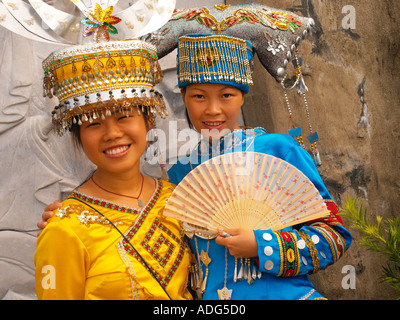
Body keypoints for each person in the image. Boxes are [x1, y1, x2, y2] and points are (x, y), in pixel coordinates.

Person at [39, 6, 352, 300]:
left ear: (243, 97)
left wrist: (263, 245)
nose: (212, 109)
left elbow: (335, 236)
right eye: (199, 96)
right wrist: (73, 218)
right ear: (183, 98)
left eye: (227, 95)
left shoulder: (277, 151)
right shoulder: (179, 177)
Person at [34, 38, 193, 300]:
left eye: (124, 116)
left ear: (147, 121)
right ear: (78, 136)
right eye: (93, 124)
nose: (112, 134)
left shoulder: (177, 199)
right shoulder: (65, 228)